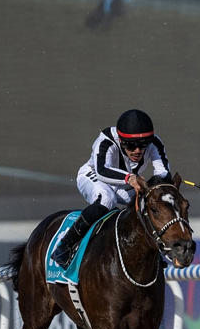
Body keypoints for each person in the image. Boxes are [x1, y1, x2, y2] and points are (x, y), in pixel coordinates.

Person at [50, 109, 173, 269]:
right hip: (93, 176)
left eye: (142, 145)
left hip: (123, 183)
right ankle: (64, 246)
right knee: (107, 198)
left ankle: (153, 251)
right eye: (131, 145)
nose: (137, 151)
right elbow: (102, 171)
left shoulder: (155, 143)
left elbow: (163, 173)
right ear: (121, 140)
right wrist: (130, 178)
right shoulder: (106, 140)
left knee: (147, 201)